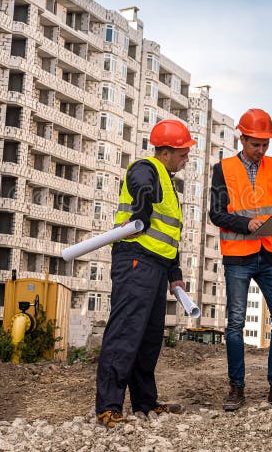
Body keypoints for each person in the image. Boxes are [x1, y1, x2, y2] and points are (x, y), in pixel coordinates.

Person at [95, 119, 193, 428]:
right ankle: (108, 407)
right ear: (165, 152)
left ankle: (145, 403)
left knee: (148, 339)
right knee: (125, 333)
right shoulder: (146, 168)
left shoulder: (168, 182)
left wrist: (175, 273)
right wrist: (140, 212)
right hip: (136, 261)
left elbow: (169, 236)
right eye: (182, 153)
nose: (186, 158)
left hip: (158, 267)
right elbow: (140, 186)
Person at [208, 108, 272, 411]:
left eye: (265, 145)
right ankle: (236, 388)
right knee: (235, 324)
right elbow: (216, 214)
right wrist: (246, 225)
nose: (260, 151)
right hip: (238, 256)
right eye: (255, 144)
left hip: (271, 254)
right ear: (242, 138)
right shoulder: (223, 169)